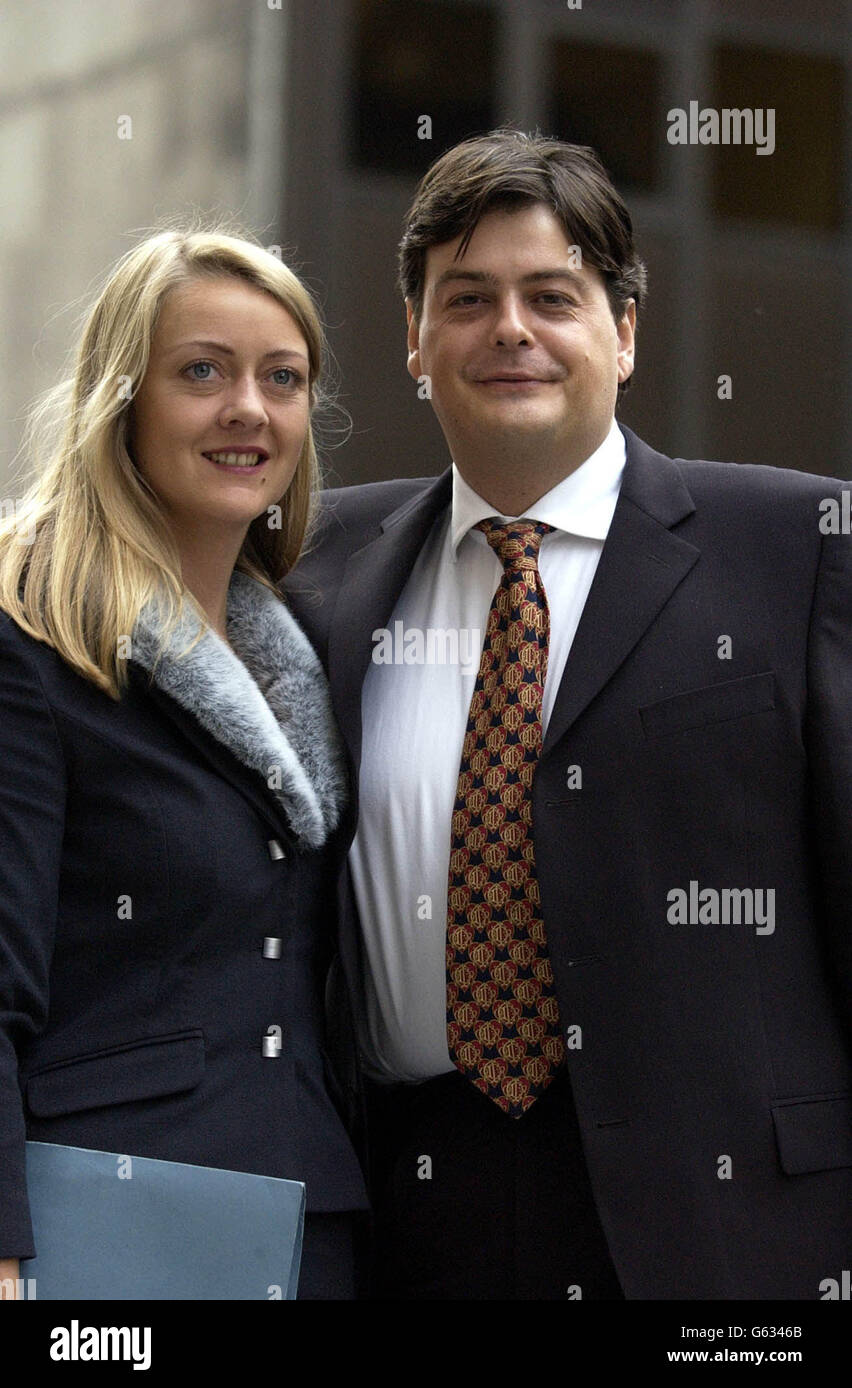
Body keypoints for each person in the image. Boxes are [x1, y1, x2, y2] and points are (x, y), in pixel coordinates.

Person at [281, 129, 852, 1300]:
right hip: (415, 1217)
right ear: (413, 338)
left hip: (733, 1231)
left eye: (554, 295)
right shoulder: (313, 571)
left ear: (625, 331)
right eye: (468, 298)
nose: (511, 330)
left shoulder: (800, 550)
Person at [0, 227, 369, 1300]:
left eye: (282, 377)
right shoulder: (32, 644)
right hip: (107, 1231)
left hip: (313, 1227)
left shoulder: (308, 661)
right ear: (123, 399)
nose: (248, 408)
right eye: (201, 370)